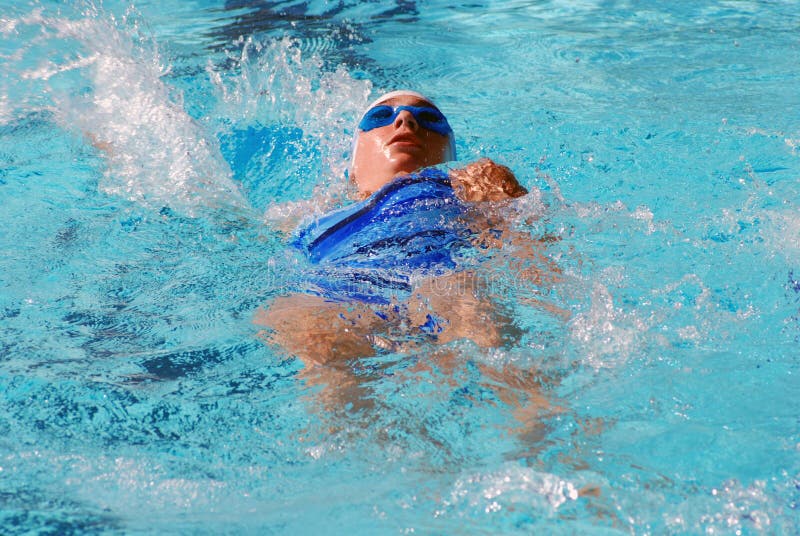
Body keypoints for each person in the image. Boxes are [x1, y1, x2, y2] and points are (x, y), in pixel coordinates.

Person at [254, 90, 556, 367]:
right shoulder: (309, 219)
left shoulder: (467, 181)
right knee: (312, 338)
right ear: (352, 166)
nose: (405, 120)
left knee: (476, 323)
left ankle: (531, 421)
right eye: (381, 116)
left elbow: (524, 239)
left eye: (430, 119)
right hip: (335, 293)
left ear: (449, 154)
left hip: (436, 284)